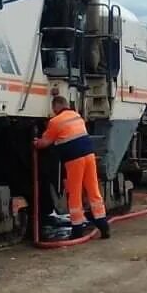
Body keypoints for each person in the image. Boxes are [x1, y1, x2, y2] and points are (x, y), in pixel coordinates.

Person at [33, 95, 111, 240]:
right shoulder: (77, 116)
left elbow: (45, 143)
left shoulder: (55, 121)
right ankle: (103, 226)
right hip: (89, 156)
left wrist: (36, 143)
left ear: (55, 106)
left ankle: (77, 230)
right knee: (93, 191)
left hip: (74, 160)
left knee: (74, 193)